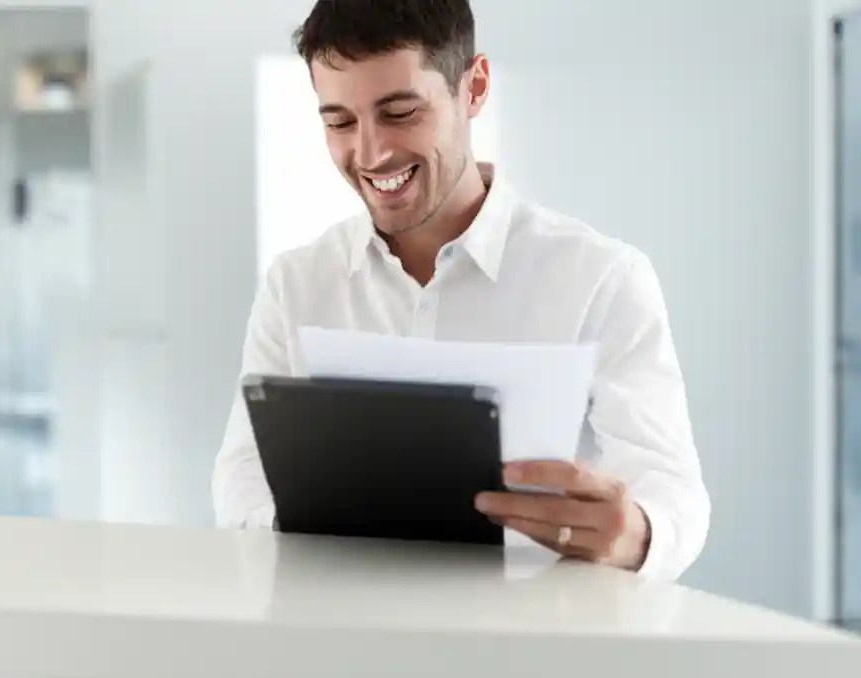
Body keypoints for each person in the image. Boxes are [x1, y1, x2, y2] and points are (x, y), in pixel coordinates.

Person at [211, 0, 710, 580]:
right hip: (346, 643)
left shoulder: (602, 278)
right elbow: (243, 470)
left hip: (537, 650)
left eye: (399, 112)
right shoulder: (296, 285)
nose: (371, 154)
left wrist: (635, 532)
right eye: (340, 122)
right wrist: (295, 527)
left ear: (473, 89)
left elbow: (674, 491)